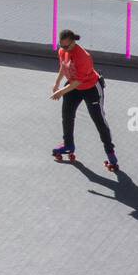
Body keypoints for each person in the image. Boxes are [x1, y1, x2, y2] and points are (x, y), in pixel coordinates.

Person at [51, 29, 118, 170]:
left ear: (73, 42)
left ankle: (110, 152)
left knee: (98, 119)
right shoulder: (63, 51)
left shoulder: (83, 57)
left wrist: (61, 92)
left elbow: (78, 82)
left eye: (66, 46)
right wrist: (57, 83)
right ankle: (68, 144)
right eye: (61, 45)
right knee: (67, 115)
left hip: (91, 88)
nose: (63, 49)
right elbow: (63, 67)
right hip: (73, 86)